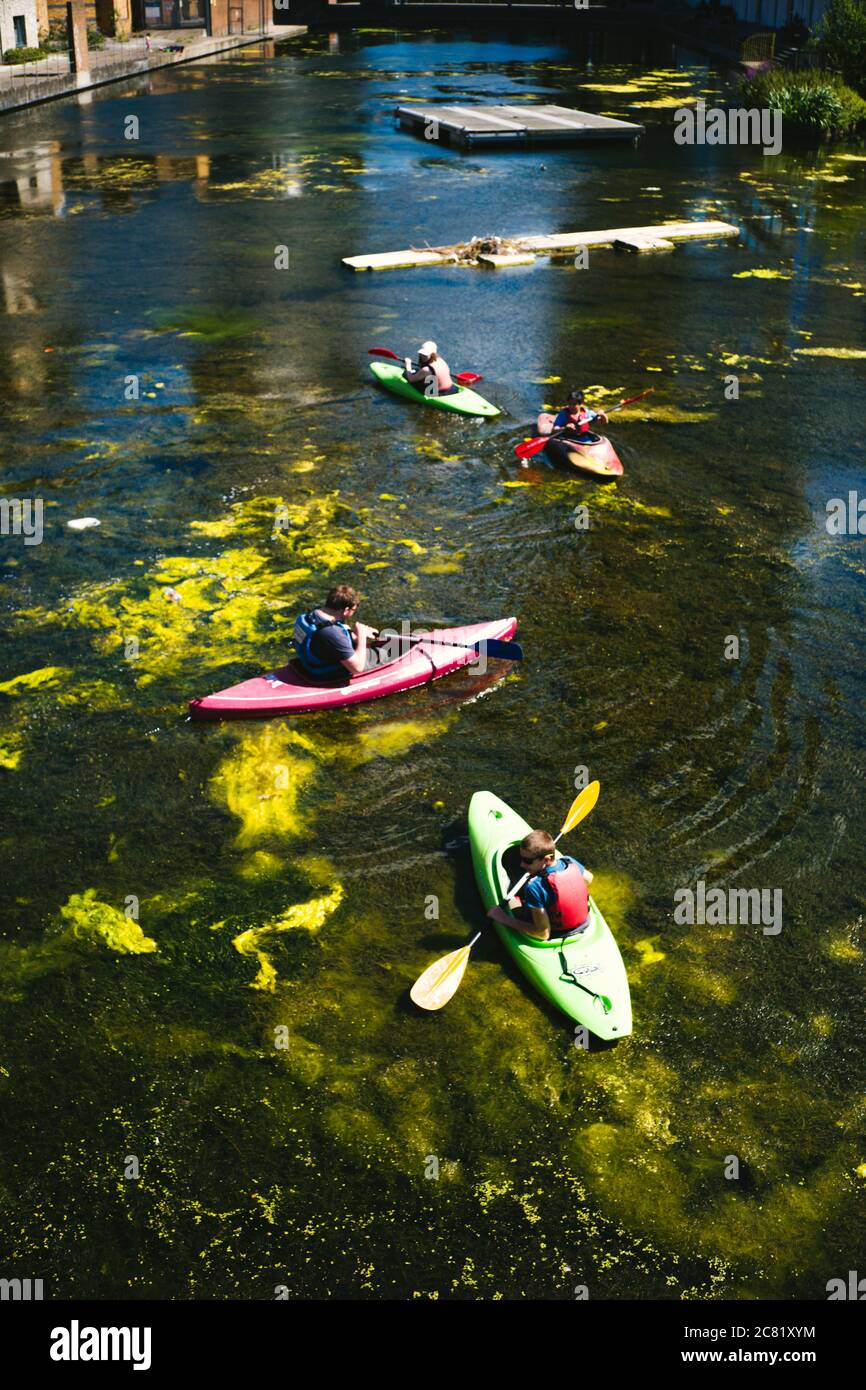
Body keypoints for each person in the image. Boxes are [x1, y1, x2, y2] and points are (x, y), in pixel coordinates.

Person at [487, 829, 594, 941]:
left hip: (555, 933)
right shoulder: (569, 862)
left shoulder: (534, 887)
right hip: (584, 923)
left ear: (547, 859)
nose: (522, 864)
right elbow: (589, 878)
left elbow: (543, 934)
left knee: (512, 899)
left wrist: (503, 918)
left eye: (527, 861)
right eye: (521, 858)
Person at [292, 584, 381, 681]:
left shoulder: (308, 617)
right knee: (387, 652)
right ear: (346, 610)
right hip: (323, 674)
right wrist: (362, 637)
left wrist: (354, 636)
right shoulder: (332, 633)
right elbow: (357, 668)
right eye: (354, 610)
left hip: (309, 664)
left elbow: (324, 640)